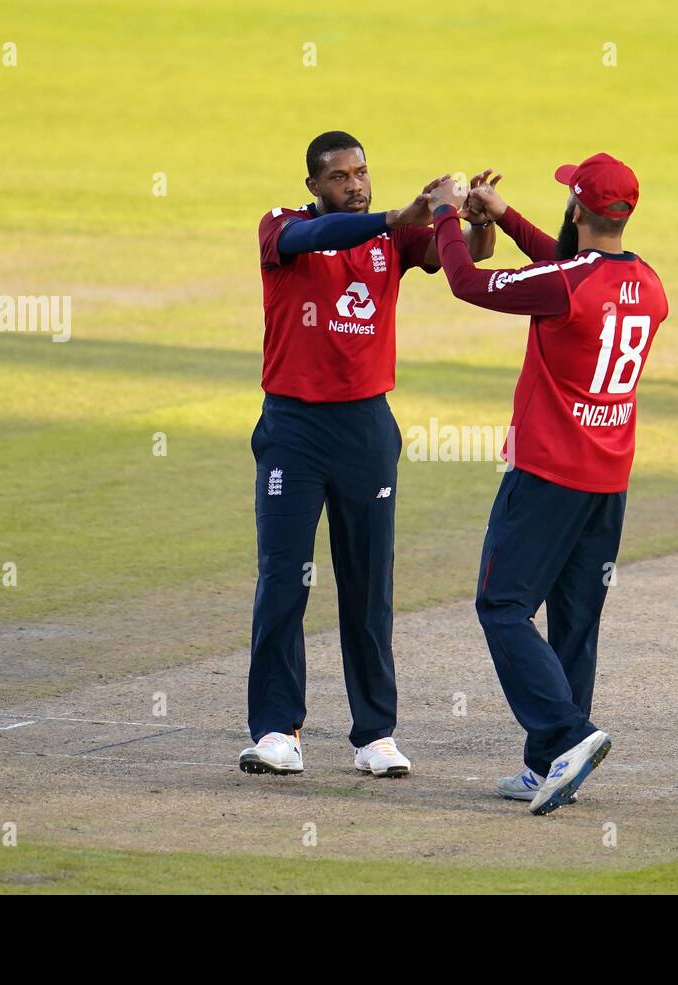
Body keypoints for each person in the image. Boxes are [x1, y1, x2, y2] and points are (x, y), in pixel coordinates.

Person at [239, 131, 495, 778]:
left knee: (369, 584)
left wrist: (478, 221)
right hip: (293, 428)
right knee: (281, 582)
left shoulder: (391, 239)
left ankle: (376, 734)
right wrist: (394, 217)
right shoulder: (282, 226)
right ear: (313, 187)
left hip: (366, 428)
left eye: (361, 172)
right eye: (338, 177)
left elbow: (459, 256)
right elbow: (312, 240)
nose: (354, 184)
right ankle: (276, 730)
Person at [426, 154, 668, 813]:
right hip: (607, 481)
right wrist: (504, 219)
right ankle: (548, 766)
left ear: (578, 211)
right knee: (576, 621)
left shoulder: (566, 284)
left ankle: (568, 735)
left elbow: (468, 283)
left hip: (547, 476)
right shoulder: (649, 284)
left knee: (501, 604)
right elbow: (565, 270)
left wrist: (448, 214)